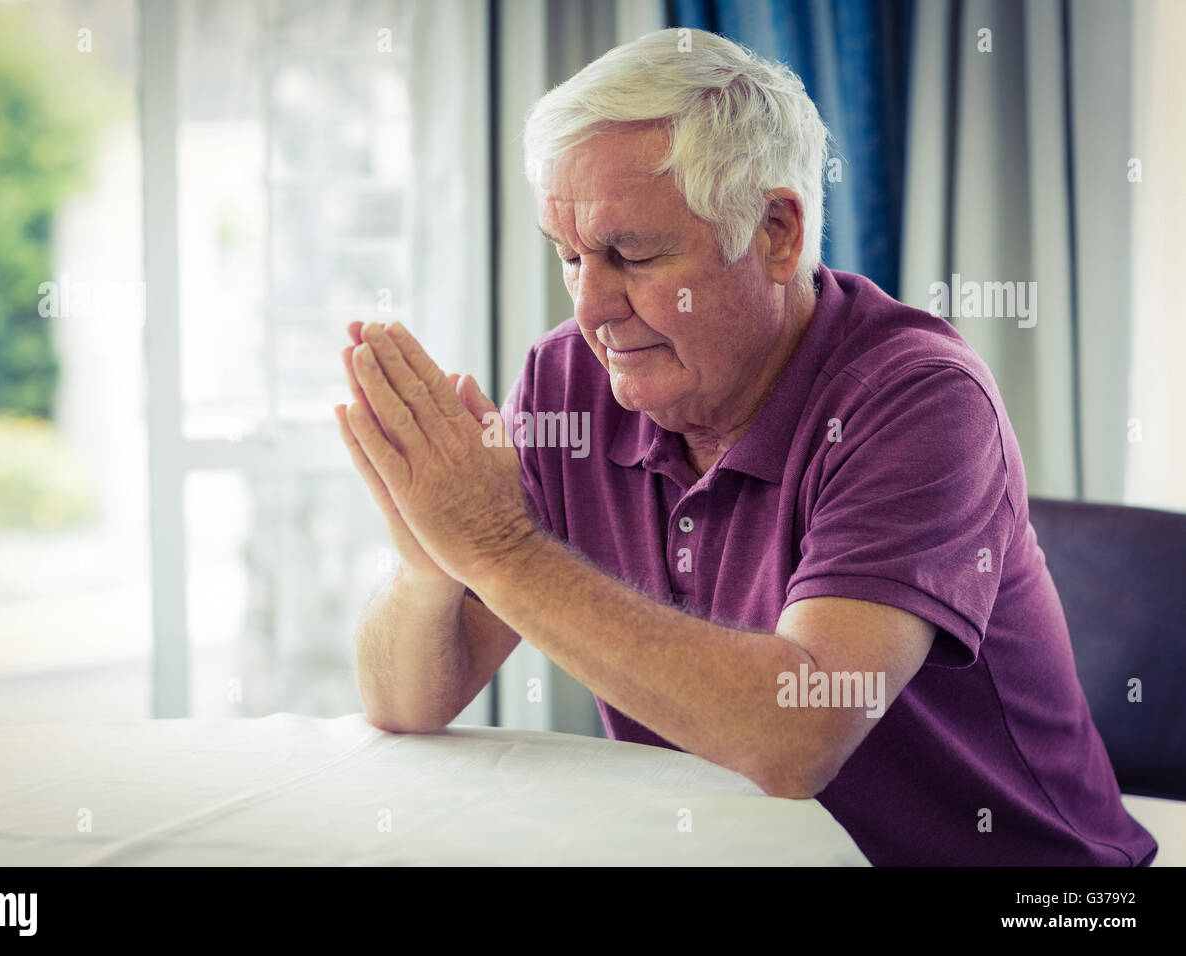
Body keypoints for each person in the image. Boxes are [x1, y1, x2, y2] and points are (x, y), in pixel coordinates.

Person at [335, 28, 1156, 866]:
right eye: (570, 256)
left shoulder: (921, 400)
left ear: (775, 233)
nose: (591, 307)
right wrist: (435, 554)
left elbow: (795, 737)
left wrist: (499, 547)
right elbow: (406, 703)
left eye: (631, 254)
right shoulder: (567, 383)